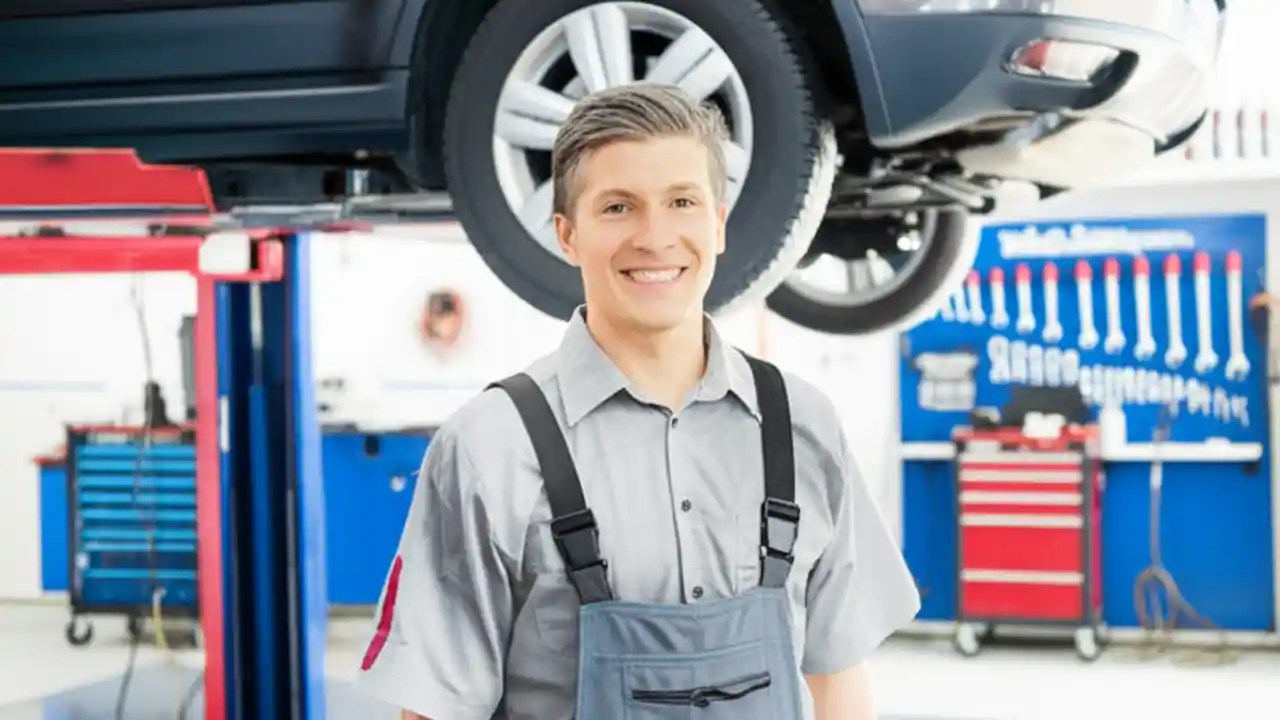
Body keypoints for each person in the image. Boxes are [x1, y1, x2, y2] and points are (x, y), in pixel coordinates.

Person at [355, 83, 921, 720]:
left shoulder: (803, 426)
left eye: (681, 202)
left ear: (717, 224)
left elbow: (838, 681)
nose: (655, 237)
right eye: (618, 207)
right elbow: (434, 709)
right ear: (568, 235)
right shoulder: (489, 445)